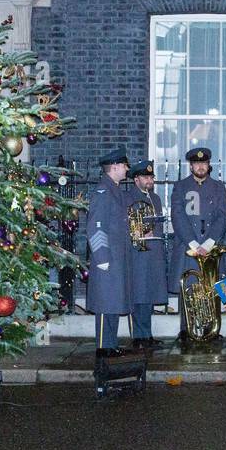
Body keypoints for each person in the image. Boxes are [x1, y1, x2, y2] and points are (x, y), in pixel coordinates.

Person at [169, 147, 226, 320]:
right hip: (188, 247)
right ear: (191, 166)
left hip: (212, 246)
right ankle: (186, 330)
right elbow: (178, 216)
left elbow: (222, 217)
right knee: (188, 288)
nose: (201, 167)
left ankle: (213, 329)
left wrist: (209, 243)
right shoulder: (180, 187)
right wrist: (194, 244)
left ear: (209, 165)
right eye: (197, 163)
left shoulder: (219, 187)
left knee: (215, 286)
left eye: (204, 163)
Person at [86, 148, 132, 357]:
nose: (127, 169)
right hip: (107, 257)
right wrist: (102, 256)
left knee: (113, 301)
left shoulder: (115, 190)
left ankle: (111, 344)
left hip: (117, 257)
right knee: (106, 303)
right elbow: (95, 226)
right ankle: (104, 347)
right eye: (124, 165)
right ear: (114, 167)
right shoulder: (103, 191)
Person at [125, 160, 166, 349]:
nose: (150, 180)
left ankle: (147, 335)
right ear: (136, 179)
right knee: (138, 295)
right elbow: (124, 225)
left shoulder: (155, 198)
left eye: (151, 177)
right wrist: (138, 233)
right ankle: (138, 337)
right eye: (146, 177)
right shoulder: (127, 197)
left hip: (153, 252)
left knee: (149, 295)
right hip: (138, 253)